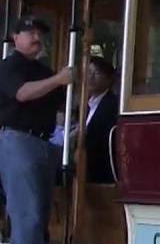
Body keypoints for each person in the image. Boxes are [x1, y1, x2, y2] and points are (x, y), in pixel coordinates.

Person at [0, 16, 73, 244]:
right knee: (26, 208)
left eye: (39, 33)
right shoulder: (9, 66)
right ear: (15, 37)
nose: (36, 37)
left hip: (42, 141)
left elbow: (59, 106)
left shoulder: (42, 70)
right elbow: (23, 94)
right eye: (30, 32)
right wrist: (59, 79)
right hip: (18, 139)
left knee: (38, 208)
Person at [49, 56, 119, 185]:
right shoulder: (86, 105)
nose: (90, 77)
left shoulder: (112, 105)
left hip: (100, 171)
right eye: (88, 72)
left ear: (109, 79)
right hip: (82, 169)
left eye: (96, 73)